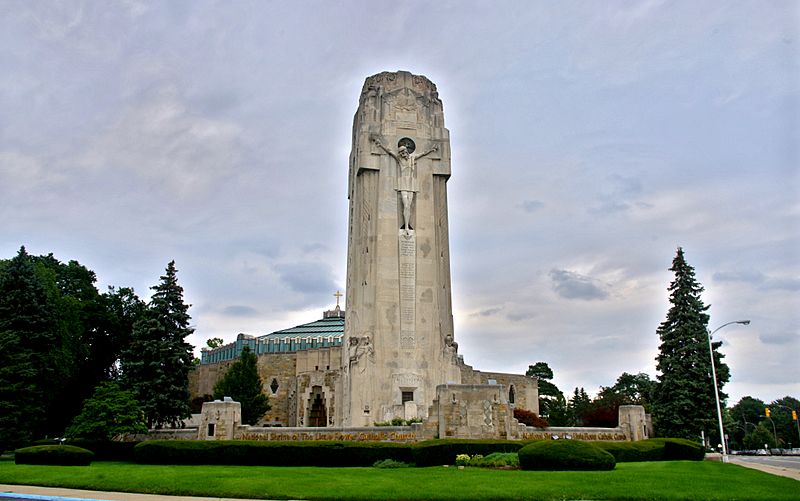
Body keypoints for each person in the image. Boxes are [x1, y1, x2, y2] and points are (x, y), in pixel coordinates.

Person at [374, 139, 438, 233]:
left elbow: (423, 154)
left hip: (411, 182)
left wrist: (431, 150)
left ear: (406, 151)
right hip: (403, 182)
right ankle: (406, 226)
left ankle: (407, 225)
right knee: (406, 205)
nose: (402, 154)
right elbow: (389, 152)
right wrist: (380, 145)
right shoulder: (399, 159)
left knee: (409, 204)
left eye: (403, 152)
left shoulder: (412, 158)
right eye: (400, 152)